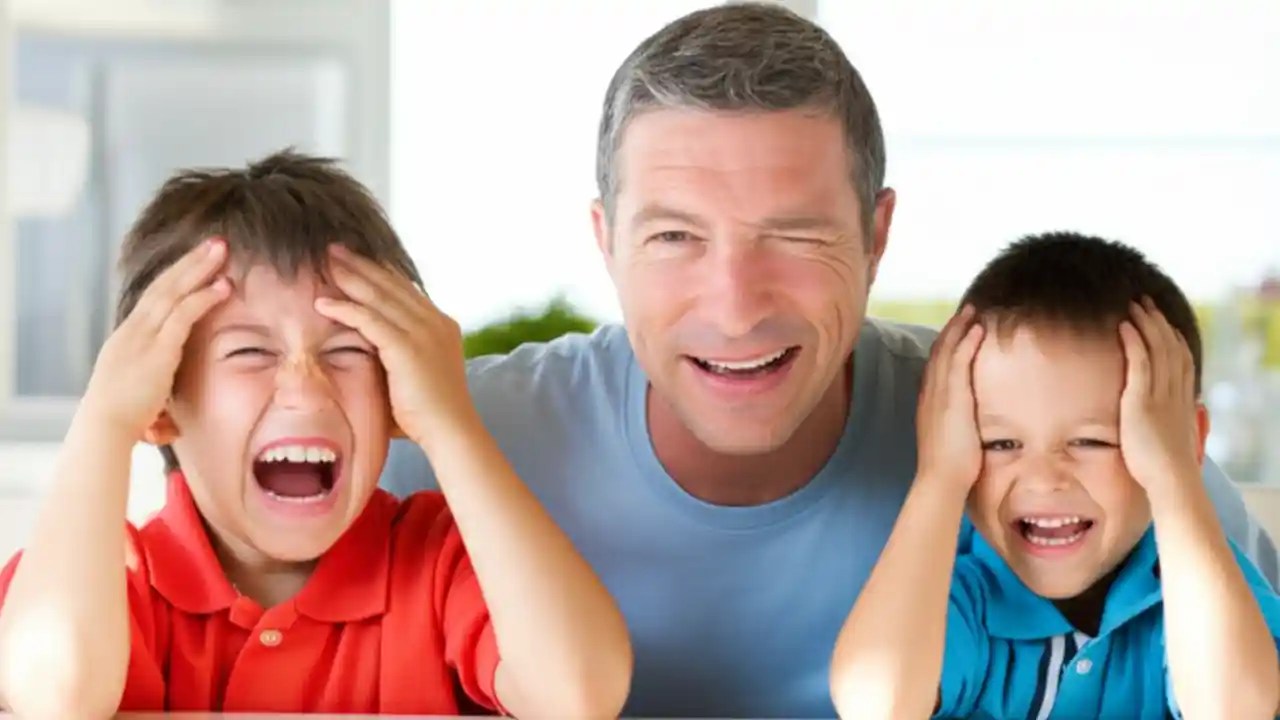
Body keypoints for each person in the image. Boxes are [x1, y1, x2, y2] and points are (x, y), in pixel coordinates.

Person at [382, 3, 1278, 716]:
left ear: (876, 236)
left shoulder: (1035, 427)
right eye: (675, 237)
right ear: (604, 240)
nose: (735, 306)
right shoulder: (451, 444)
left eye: (796, 235)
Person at [0, 150, 632, 719]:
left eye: (348, 351)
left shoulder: (442, 564)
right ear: (161, 406)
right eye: (250, 351)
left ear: (394, 395)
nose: (306, 387)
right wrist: (106, 417)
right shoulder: (102, 576)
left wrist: (450, 422)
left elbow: (576, 697)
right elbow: (55, 701)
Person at [829, 232, 1280, 719]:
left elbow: (1236, 710)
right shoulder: (958, 590)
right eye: (1000, 443)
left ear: (1184, 444)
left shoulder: (1203, 583)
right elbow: (875, 705)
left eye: (1091, 441)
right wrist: (938, 478)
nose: (1043, 480)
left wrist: (1174, 482)